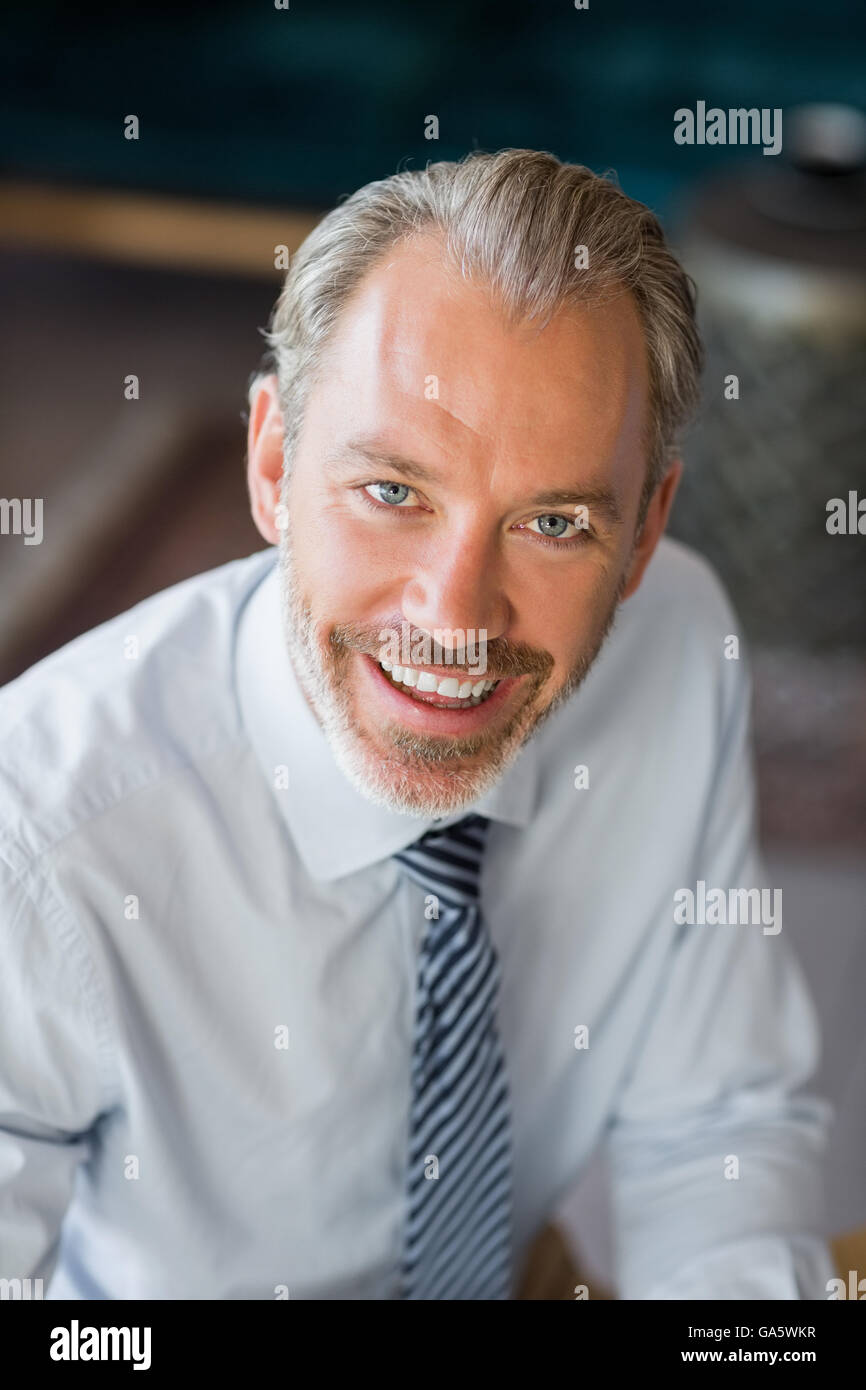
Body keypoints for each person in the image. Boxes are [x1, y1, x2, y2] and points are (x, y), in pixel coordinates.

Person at [0, 149, 834, 1300]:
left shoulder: (680, 641)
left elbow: (712, 1125)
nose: (453, 618)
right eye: (392, 492)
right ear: (275, 465)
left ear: (643, 534)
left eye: (551, 523)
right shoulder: (34, 841)